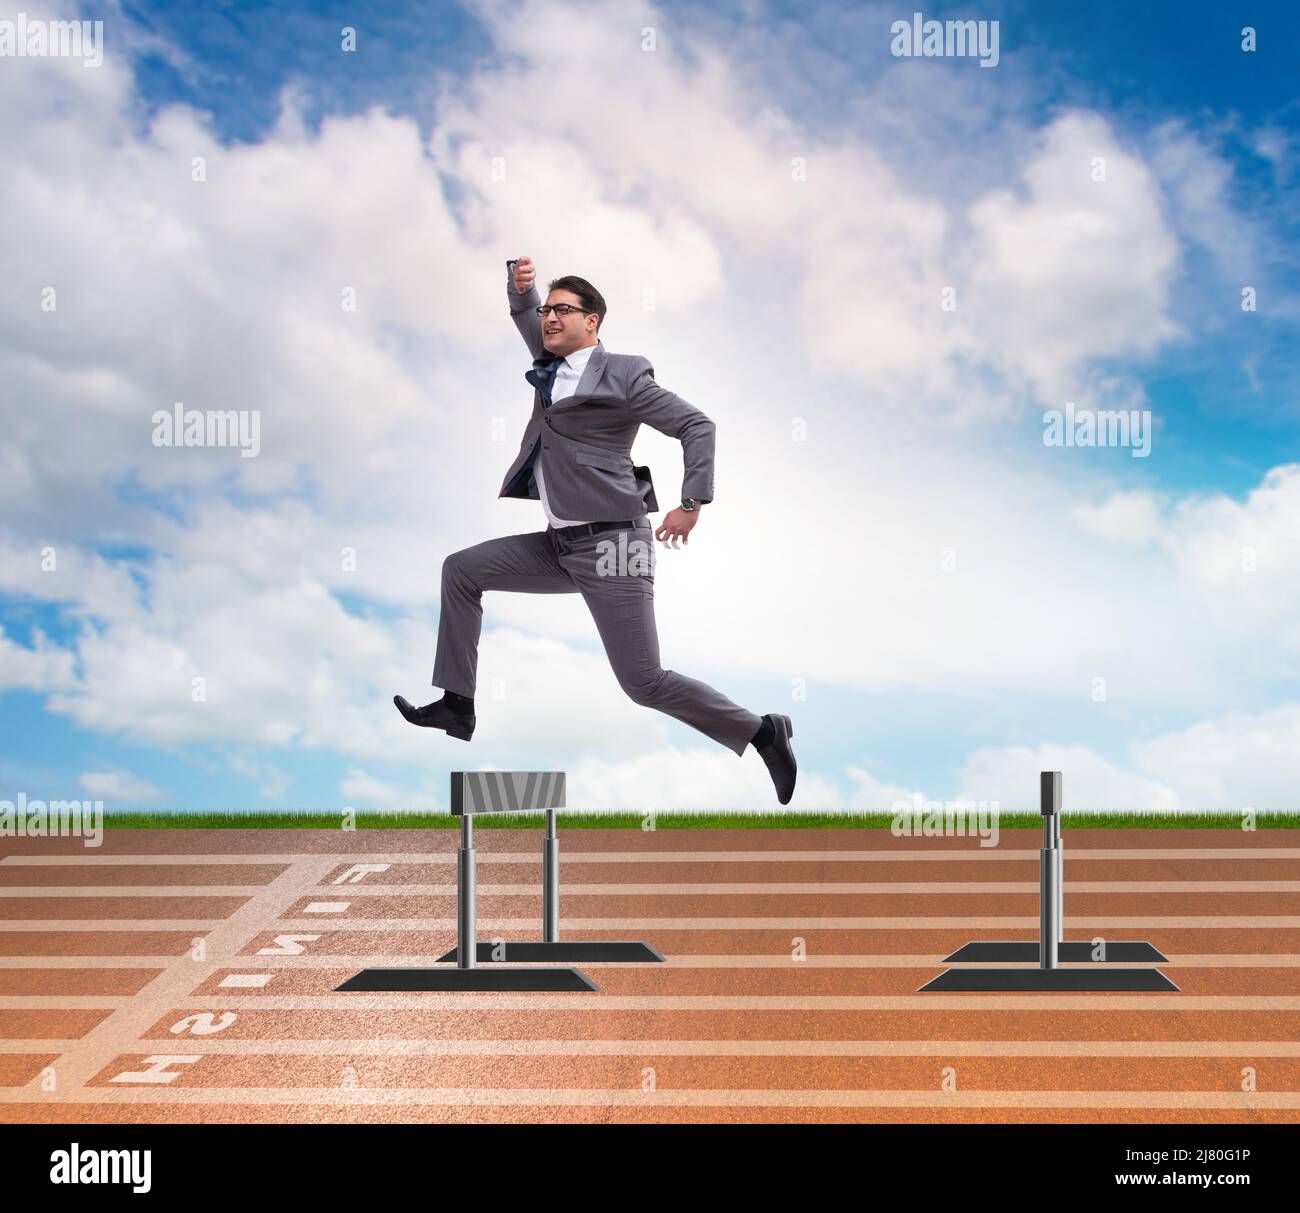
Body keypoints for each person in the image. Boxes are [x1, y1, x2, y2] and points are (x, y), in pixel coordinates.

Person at [395, 256, 796, 803]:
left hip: (615, 548)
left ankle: (762, 731)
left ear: (593, 322)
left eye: (563, 310)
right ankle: (457, 703)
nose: (550, 319)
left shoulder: (626, 374)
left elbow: (696, 425)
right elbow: (525, 315)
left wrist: (692, 500)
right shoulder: (547, 361)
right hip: (558, 546)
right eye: (548, 311)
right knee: (462, 570)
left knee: (643, 683)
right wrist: (523, 287)